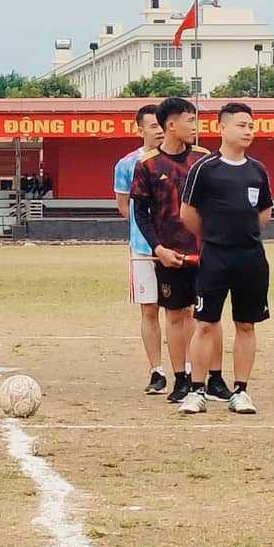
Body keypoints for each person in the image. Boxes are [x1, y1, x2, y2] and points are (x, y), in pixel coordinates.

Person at [179, 101, 272, 415]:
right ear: (222, 128)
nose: (248, 131)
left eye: (251, 126)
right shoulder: (205, 168)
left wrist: (243, 233)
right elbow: (187, 213)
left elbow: (264, 212)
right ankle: (197, 390)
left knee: (246, 324)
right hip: (215, 256)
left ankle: (241, 391)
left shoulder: (258, 170)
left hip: (251, 258)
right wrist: (215, 236)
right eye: (241, 125)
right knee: (205, 323)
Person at [130, 96, 207, 407]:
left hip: (203, 253)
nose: (196, 126)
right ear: (171, 125)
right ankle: (180, 379)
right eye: (191, 120)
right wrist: (158, 248)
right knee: (175, 315)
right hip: (168, 254)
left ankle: (204, 377)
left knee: (204, 317)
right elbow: (140, 213)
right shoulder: (147, 165)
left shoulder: (203, 159)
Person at [111, 103, 170, 391]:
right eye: (153, 126)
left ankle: (185, 369)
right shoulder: (126, 165)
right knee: (149, 309)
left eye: (162, 125)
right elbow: (124, 207)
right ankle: (156, 371)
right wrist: (145, 230)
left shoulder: (180, 161)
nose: (159, 131)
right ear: (140, 129)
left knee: (181, 311)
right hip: (143, 248)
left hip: (176, 246)